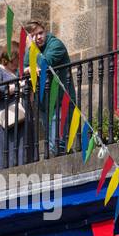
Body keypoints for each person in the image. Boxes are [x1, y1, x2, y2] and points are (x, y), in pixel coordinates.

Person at [23, 21, 75, 157]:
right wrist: (28, 68)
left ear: (45, 31)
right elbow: (22, 72)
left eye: (40, 33)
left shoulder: (56, 45)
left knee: (56, 144)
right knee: (56, 144)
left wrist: (32, 51)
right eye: (34, 35)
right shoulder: (32, 51)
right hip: (44, 104)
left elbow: (45, 63)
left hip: (60, 100)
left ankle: (67, 168)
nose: (39, 37)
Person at [0, 50, 29, 172]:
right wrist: (18, 86)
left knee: (19, 148)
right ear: (11, 57)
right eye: (18, 57)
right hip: (4, 117)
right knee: (5, 150)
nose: (19, 61)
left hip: (18, 117)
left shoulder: (15, 73)